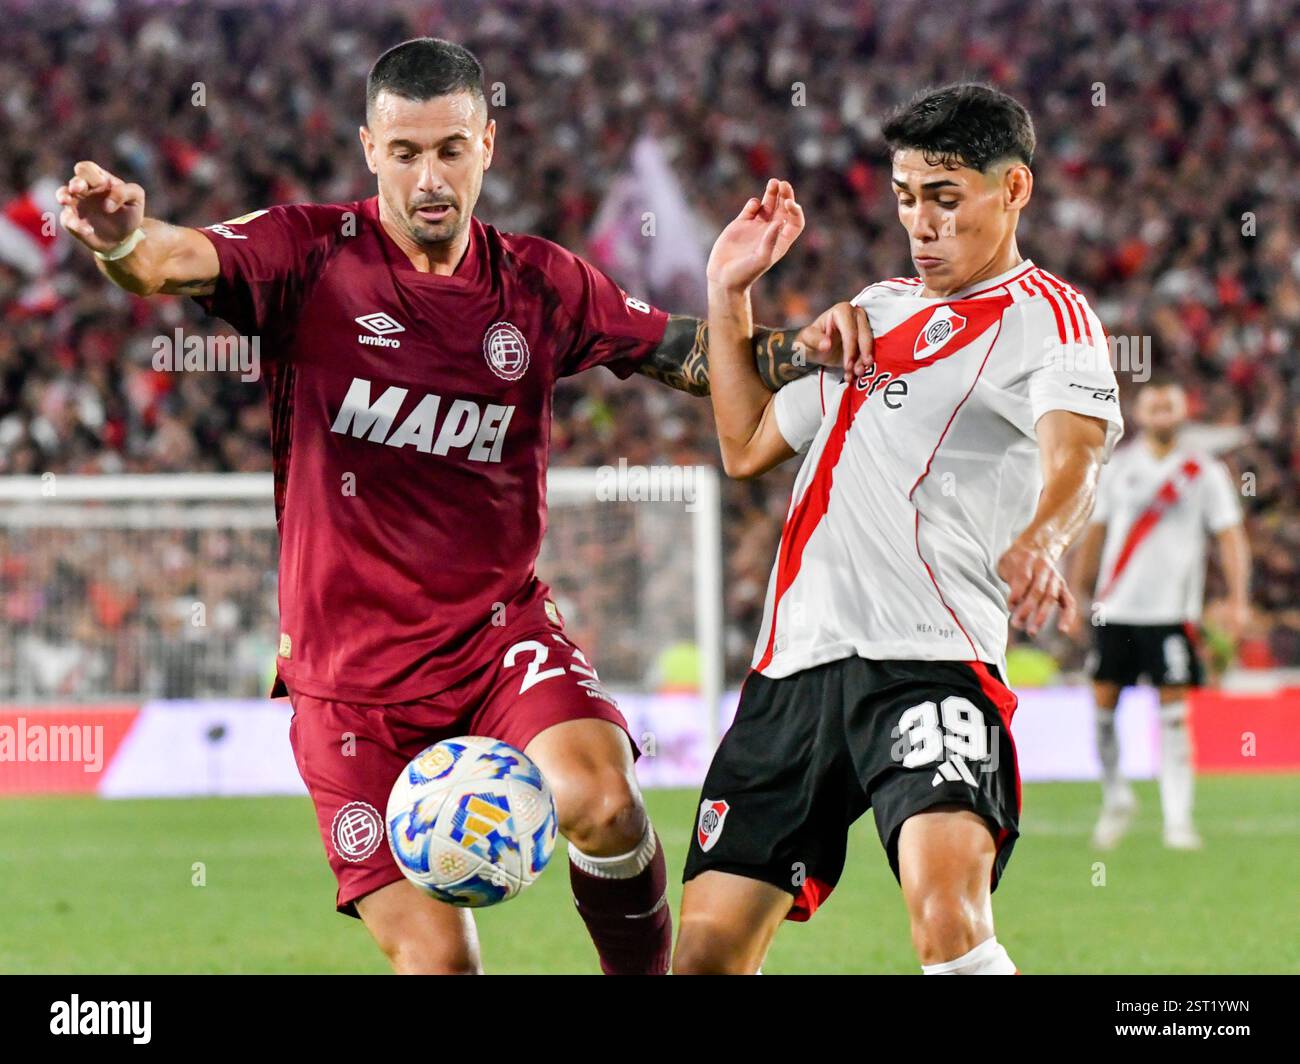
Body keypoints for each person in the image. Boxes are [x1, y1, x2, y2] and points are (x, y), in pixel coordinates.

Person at [56, 37, 861, 975]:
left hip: (495, 636)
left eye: (448, 149)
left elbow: (681, 353)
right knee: (441, 964)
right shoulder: (307, 255)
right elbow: (169, 262)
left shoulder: (538, 282)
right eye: (404, 152)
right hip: (347, 681)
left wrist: (798, 345)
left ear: (488, 143)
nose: (428, 176)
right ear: (368, 148)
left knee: (604, 801)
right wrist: (118, 238)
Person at [673, 84, 1124, 975]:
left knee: (948, 921)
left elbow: (1077, 456)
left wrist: (1042, 539)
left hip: (927, 659)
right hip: (791, 673)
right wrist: (731, 295)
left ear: (1015, 190)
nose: (923, 223)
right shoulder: (871, 311)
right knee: (705, 956)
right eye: (908, 197)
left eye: (947, 197)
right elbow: (747, 444)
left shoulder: (1050, 316)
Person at [1070, 378, 1250, 850]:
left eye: (1170, 405)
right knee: (1103, 711)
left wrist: (1238, 599)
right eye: (1154, 406)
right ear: (1140, 414)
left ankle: (1177, 819)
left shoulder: (1203, 471)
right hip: (1115, 609)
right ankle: (1115, 800)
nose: (1162, 413)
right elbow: (1095, 533)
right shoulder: (1118, 468)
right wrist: (1075, 591)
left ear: (1182, 411)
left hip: (1171, 612)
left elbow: (1230, 537)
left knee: (1173, 716)